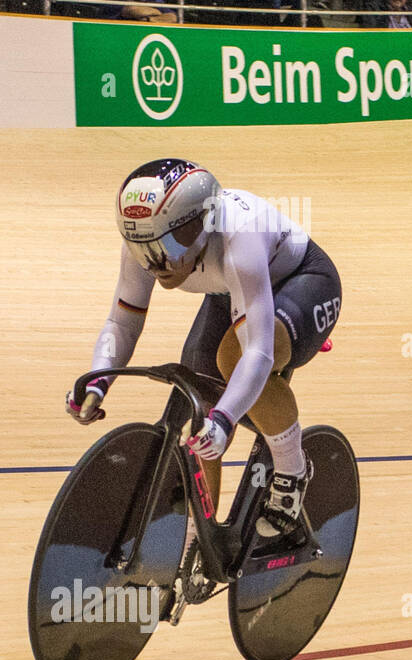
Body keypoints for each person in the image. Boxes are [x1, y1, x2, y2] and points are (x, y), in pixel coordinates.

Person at [66, 159, 342, 540]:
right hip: (232, 291)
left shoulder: (238, 240)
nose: (154, 262)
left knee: (232, 359)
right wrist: (98, 379)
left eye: (164, 246)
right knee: (196, 393)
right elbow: (122, 323)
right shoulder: (150, 240)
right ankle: (200, 534)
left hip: (302, 283)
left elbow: (257, 353)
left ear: (200, 225)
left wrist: (226, 418)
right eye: (142, 247)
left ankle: (293, 470)